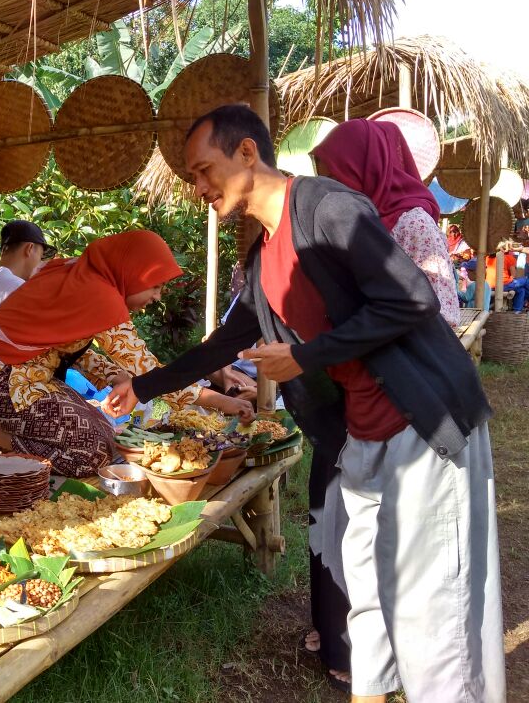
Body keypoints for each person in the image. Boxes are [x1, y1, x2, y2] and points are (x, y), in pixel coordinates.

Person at [106, 105, 504, 703]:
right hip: (361, 435)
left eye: (203, 169)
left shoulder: (328, 207)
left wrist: (307, 355)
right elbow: (224, 342)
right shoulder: (263, 261)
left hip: (422, 425)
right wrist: (144, 385)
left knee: (434, 609)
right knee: (365, 593)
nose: (198, 187)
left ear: (247, 154)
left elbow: (412, 300)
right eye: (192, 176)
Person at [0, 230, 254, 478]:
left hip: (19, 373)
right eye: (155, 286)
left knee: (106, 431)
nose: (157, 297)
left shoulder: (84, 276)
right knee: (91, 453)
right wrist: (221, 401)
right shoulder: (99, 294)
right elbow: (150, 370)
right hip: (2, 381)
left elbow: (64, 344)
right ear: (133, 273)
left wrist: (113, 374)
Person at [312, 119, 460, 327]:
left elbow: (443, 315)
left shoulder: (414, 225)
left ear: (367, 170)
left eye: (337, 178)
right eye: (325, 181)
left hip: (406, 353)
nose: (330, 191)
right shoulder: (354, 222)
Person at [463, 244, 529, 312]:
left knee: (521, 290)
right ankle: (517, 310)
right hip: (504, 284)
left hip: (489, 285)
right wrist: (511, 280)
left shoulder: (487, 258)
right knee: (526, 280)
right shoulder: (509, 258)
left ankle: (518, 311)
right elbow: (513, 275)